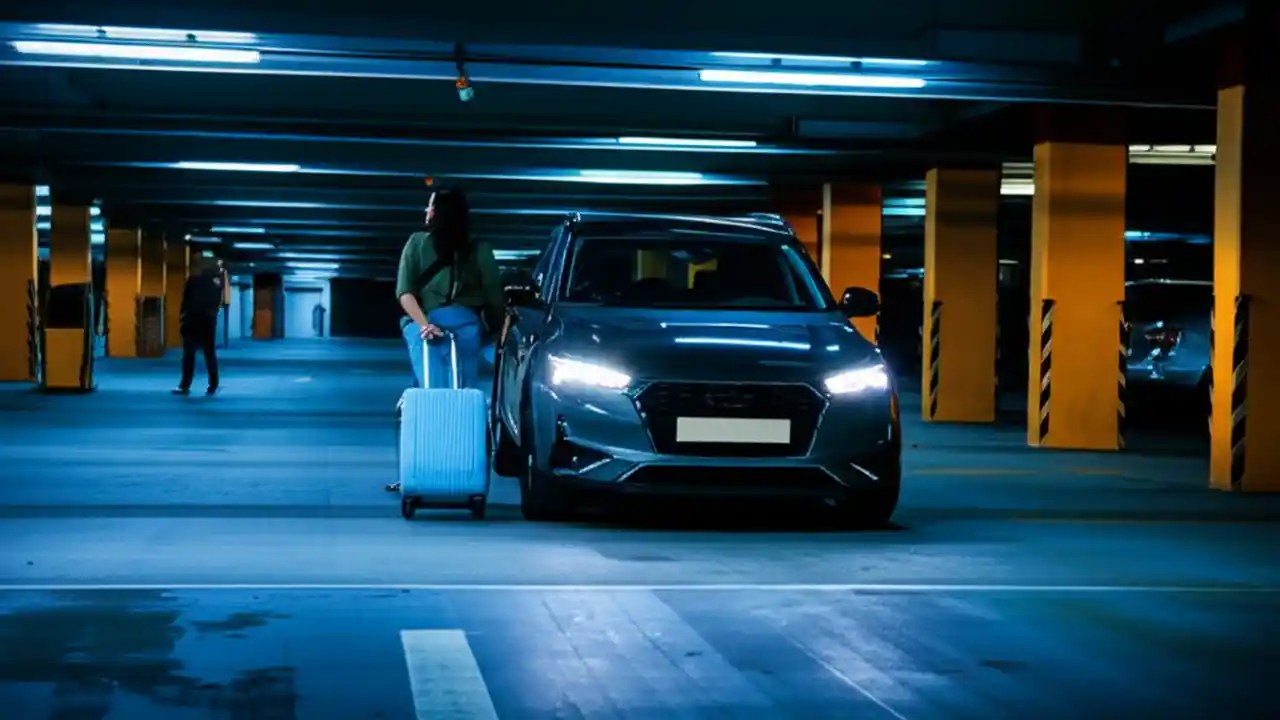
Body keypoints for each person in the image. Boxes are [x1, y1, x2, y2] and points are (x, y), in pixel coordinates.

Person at [388, 188, 503, 491]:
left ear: (437, 213)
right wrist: (495, 329)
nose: (425, 212)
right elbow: (494, 297)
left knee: (427, 392)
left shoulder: (416, 243)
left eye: (429, 207)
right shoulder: (480, 249)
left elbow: (405, 292)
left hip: (424, 327)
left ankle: (418, 469)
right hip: (465, 326)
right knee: (463, 393)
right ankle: (464, 467)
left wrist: (424, 326)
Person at [173, 256, 224, 396]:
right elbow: (217, 302)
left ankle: (185, 384)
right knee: (209, 353)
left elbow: (185, 301)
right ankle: (213, 383)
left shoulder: (193, 281)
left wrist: (183, 317)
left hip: (192, 320)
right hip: (208, 321)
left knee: (189, 354)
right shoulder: (217, 283)